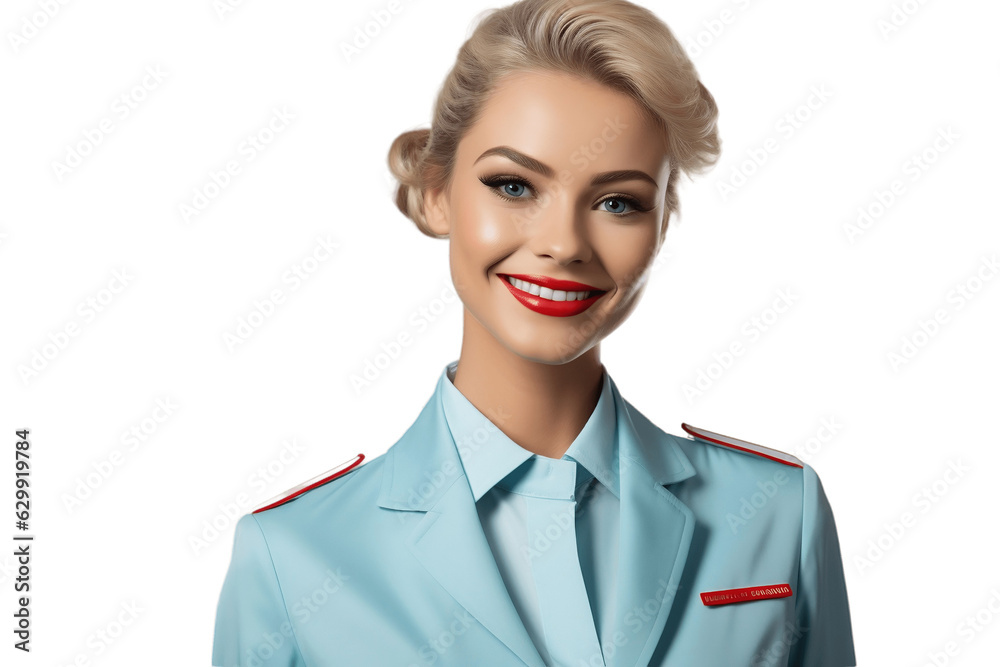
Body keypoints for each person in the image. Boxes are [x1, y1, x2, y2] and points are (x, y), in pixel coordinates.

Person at [211, 0, 856, 665]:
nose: (563, 243)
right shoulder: (294, 556)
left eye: (618, 202)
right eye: (514, 185)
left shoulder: (777, 511)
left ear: (662, 221)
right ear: (436, 191)